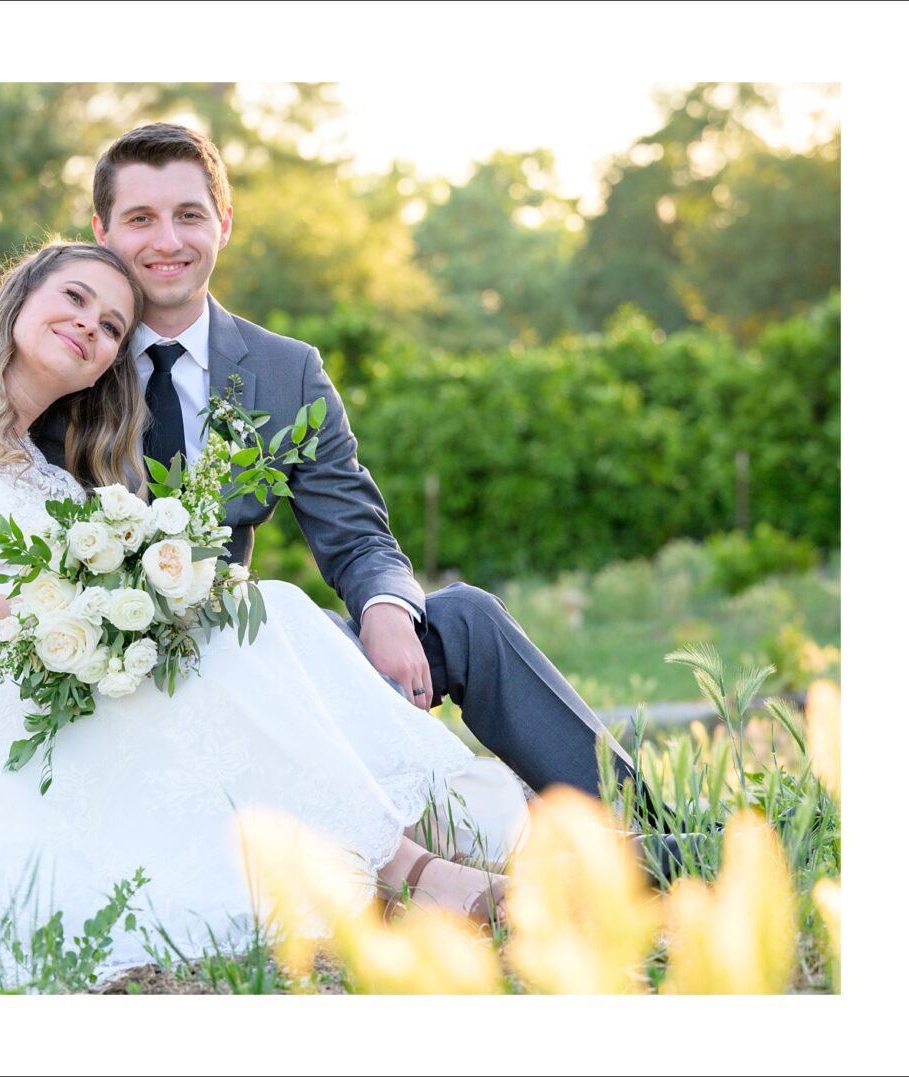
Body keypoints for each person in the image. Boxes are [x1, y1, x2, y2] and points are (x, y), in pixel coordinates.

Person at [0, 240, 530, 994]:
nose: (88, 326)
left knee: (251, 610)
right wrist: (67, 632)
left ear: (106, 365)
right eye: (73, 298)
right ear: (19, 296)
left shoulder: (57, 476)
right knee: (211, 654)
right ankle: (417, 870)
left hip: (36, 689)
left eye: (109, 326)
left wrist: (110, 634)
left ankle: (411, 858)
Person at [32, 123, 643, 807]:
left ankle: (653, 839)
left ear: (224, 224)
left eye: (189, 216)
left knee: (464, 615)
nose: (168, 241)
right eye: (141, 218)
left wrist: (384, 605)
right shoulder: (72, 358)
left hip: (264, 656)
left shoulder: (285, 370)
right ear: (102, 230)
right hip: (133, 678)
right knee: (302, 638)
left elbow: (355, 534)